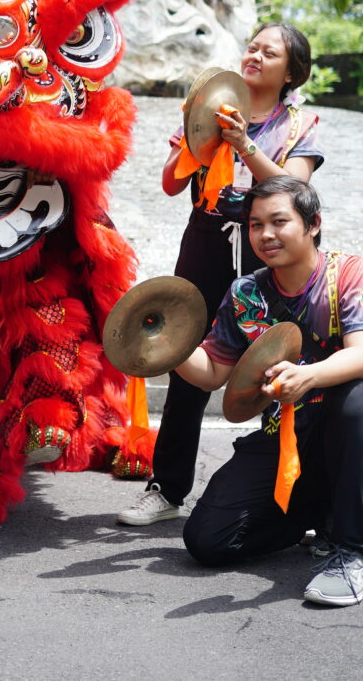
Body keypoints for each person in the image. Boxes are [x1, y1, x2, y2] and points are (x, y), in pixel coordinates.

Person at [118, 22, 323, 525]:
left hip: (267, 250)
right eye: (251, 47)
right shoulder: (209, 105)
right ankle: (166, 489)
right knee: (183, 350)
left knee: (281, 362)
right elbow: (170, 184)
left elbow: (292, 193)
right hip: (205, 241)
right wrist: (193, 134)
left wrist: (244, 143)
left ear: (291, 71)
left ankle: (295, 495)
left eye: (267, 52)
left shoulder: (299, 125)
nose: (253, 55)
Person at [180, 177, 363, 606]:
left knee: (355, 402)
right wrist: (168, 346)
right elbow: (212, 374)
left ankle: (351, 552)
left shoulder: (348, 274)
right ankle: (322, 510)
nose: (265, 234)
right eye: (255, 224)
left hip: (347, 432)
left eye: (279, 221)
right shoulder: (245, 292)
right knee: (208, 540)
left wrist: (311, 375)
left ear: (313, 224)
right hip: (284, 435)